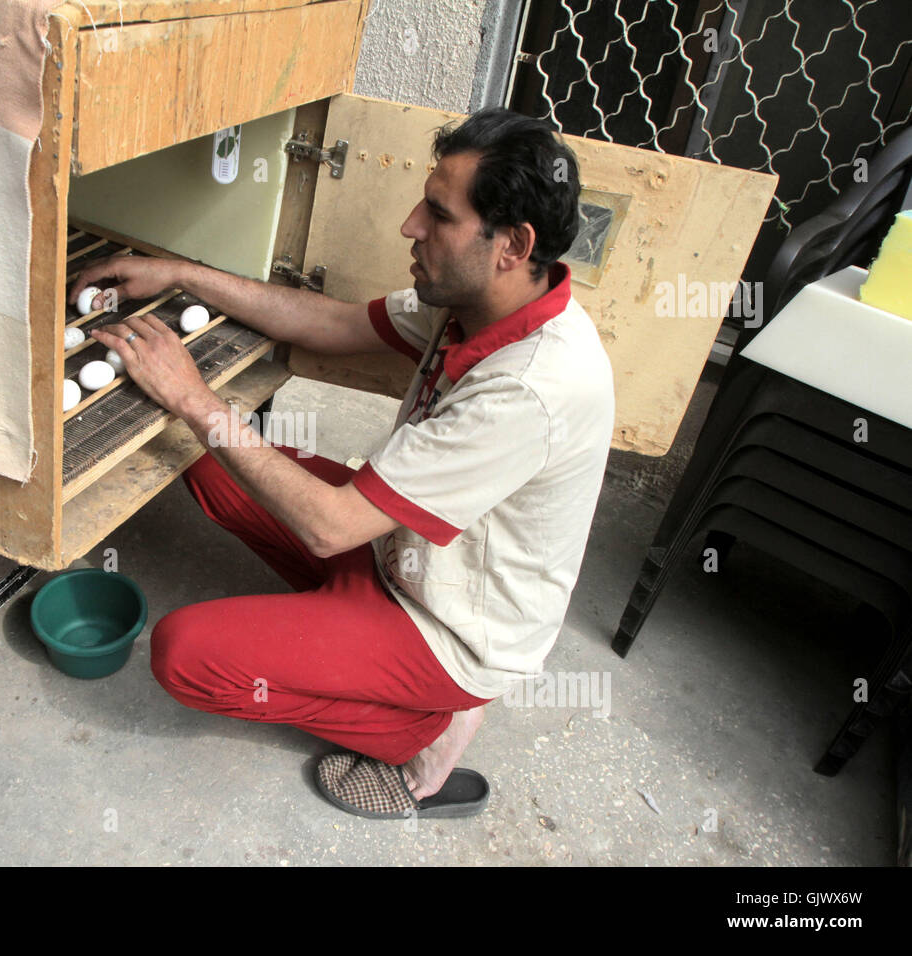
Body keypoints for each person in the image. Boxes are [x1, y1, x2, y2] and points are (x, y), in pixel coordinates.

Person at [69, 107, 615, 819]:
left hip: (446, 629)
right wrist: (179, 273)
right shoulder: (478, 301)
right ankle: (342, 639)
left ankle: (420, 725)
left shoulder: (532, 388)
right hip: (400, 551)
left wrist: (193, 396)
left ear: (512, 243)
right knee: (199, 460)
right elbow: (332, 323)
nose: (410, 226)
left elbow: (329, 527)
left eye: (438, 214)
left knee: (183, 653)